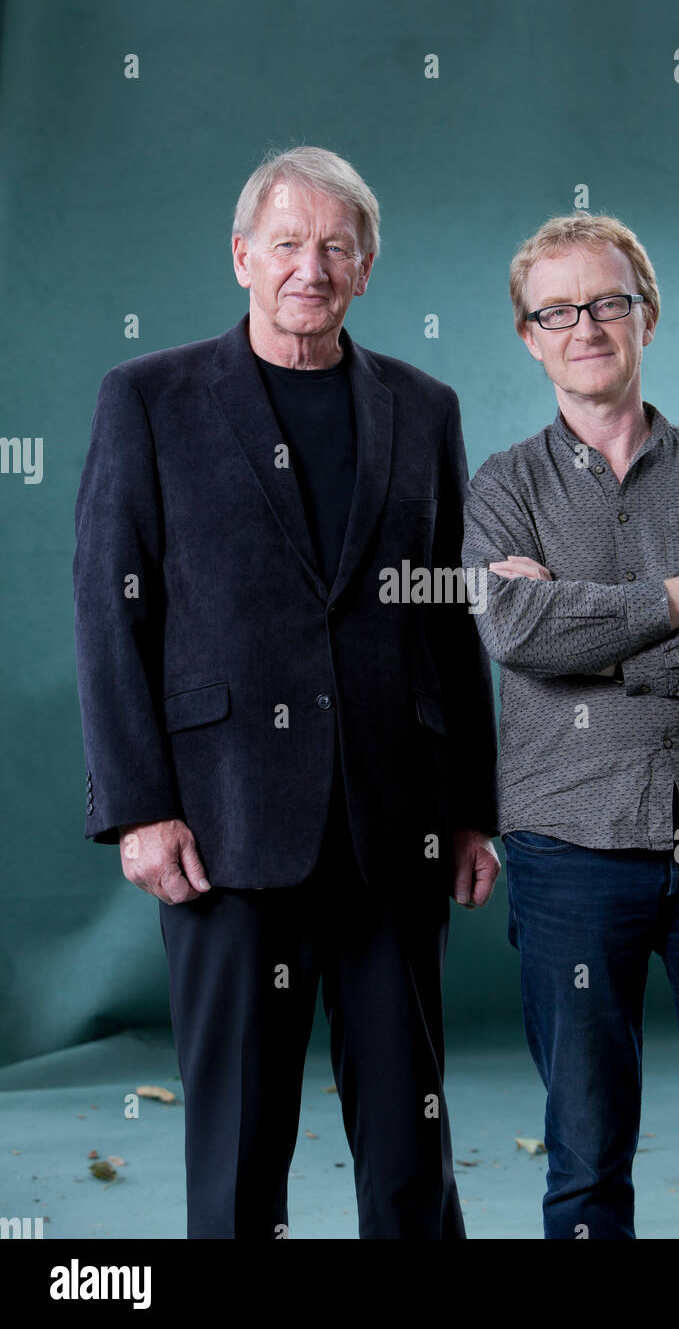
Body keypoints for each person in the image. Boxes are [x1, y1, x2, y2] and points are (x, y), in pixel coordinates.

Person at [73, 145, 500, 1239]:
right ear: (241, 258)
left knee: (408, 1148)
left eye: (335, 248)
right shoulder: (148, 399)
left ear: (364, 270)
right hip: (220, 824)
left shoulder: (425, 406)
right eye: (287, 245)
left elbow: (448, 619)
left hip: (390, 823)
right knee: (236, 1147)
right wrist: (137, 806)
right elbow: (111, 611)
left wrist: (469, 807)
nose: (309, 267)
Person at [462, 210, 679, 1240]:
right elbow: (514, 630)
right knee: (583, 1153)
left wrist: (590, 634)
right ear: (529, 337)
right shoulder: (501, 487)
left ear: (646, 317)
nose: (584, 325)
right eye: (555, 310)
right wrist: (678, 596)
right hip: (568, 849)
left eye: (606, 302)